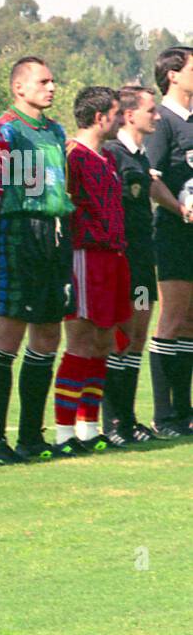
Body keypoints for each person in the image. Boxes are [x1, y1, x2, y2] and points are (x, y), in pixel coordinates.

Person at [0, 56, 72, 461]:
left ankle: (32, 436)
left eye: (53, 81)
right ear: (19, 88)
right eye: (43, 81)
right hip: (18, 233)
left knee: (49, 334)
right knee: (8, 336)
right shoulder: (3, 131)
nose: (51, 88)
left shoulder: (55, 130)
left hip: (54, 234)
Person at [101, 85, 193, 443]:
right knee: (120, 336)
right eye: (151, 111)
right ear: (129, 115)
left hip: (141, 258)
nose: (157, 116)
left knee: (136, 333)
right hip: (117, 259)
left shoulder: (137, 158)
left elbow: (153, 188)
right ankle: (113, 422)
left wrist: (180, 207)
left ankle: (128, 421)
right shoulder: (112, 154)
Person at [50, 87, 129, 453]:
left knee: (102, 343)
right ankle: (64, 432)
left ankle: (89, 427)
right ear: (100, 117)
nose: (120, 119)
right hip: (84, 257)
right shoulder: (71, 156)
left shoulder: (108, 158)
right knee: (80, 342)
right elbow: (57, 212)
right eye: (116, 113)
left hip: (112, 257)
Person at [146, 47, 193, 436]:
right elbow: (151, 178)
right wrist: (179, 209)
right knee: (173, 318)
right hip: (174, 233)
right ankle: (163, 416)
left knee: (191, 323)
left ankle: (185, 411)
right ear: (174, 75)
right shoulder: (161, 121)